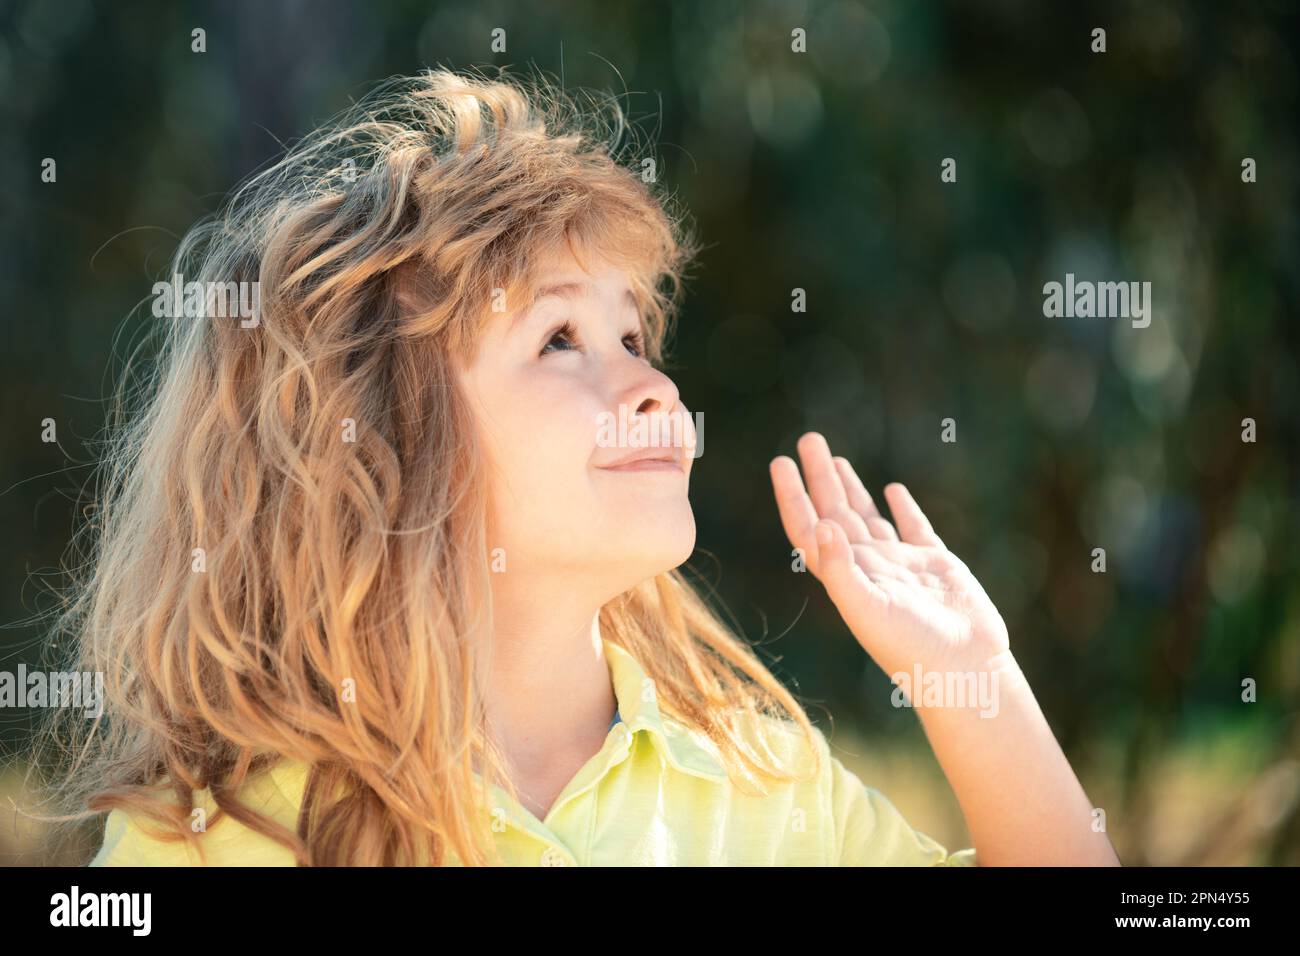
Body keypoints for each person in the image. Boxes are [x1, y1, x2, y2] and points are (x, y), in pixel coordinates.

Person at [33, 67, 1118, 867]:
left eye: (636, 337)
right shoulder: (215, 841)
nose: (653, 388)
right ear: (384, 439)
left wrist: (975, 676)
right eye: (559, 340)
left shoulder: (767, 787)